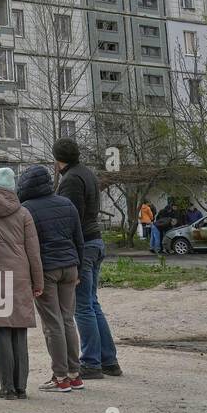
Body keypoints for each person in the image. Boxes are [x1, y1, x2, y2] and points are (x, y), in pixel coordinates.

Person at [53, 138, 122, 379]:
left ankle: (91, 362)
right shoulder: (87, 173)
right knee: (92, 304)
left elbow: (72, 218)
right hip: (95, 241)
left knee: (82, 306)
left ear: (57, 159)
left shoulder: (71, 179)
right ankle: (109, 361)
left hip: (84, 245)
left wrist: (74, 256)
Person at [18, 164, 85, 393]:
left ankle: (60, 377)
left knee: (52, 323)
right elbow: (79, 239)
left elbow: (29, 246)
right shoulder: (67, 203)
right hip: (70, 266)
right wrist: (80, 269)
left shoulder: (26, 208)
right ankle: (75, 374)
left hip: (47, 270)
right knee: (67, 319)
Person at [0, 168, 43, 400]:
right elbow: (33, 252)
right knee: (20, 332)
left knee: (1, 331)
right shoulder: (24, 213)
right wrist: (38, 281)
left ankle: (6, 386)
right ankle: (21, 386)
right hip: (19, 277)